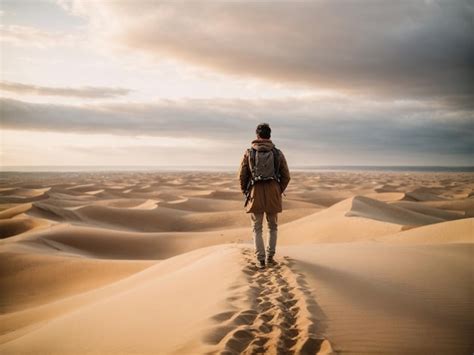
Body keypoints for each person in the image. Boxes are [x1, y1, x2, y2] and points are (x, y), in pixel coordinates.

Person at [238, 123, 291, 269]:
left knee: (257, 227)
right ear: (269, 136)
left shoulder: (249, 153)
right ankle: (270, 257)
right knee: (272, 226)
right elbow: (286, 176)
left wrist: (246, 191)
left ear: (257, 136)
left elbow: (242, 175)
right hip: (273, 190)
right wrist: (278, 189)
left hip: (255, 191)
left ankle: (260, 259)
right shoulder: (277, 153)